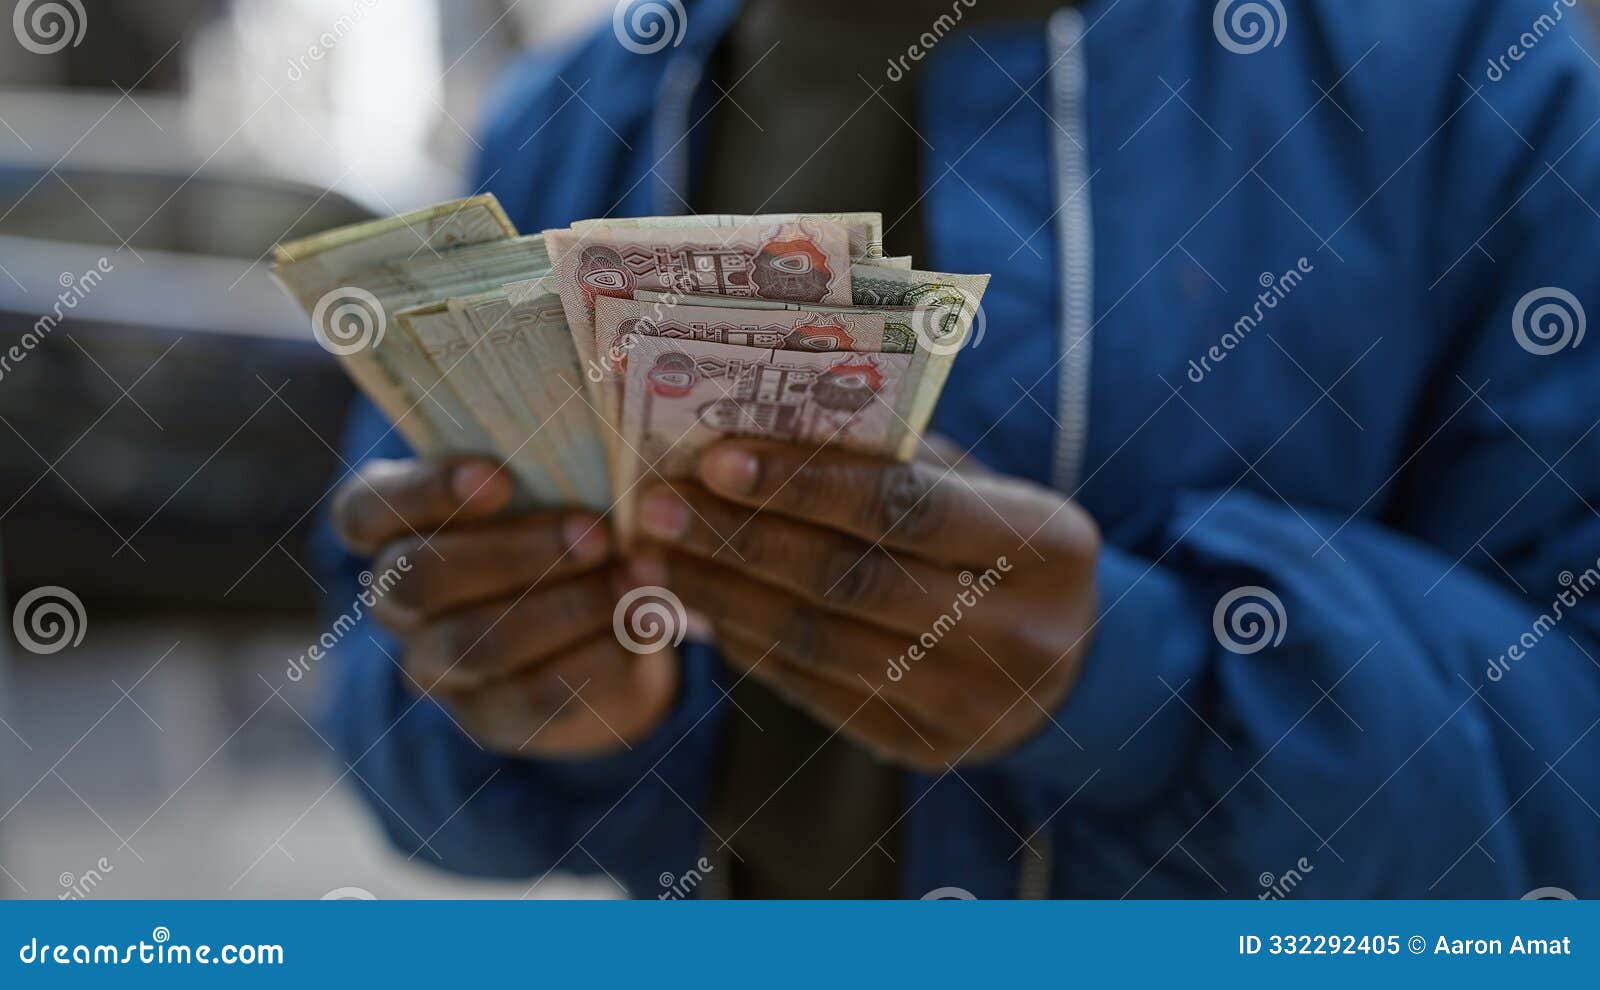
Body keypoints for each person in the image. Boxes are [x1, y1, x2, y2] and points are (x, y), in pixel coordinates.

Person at [316, 0, 1600, 898]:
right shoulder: (568, 115)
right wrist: (511, 700)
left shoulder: (1462, 67)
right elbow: (390, 712)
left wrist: (1148, 689)